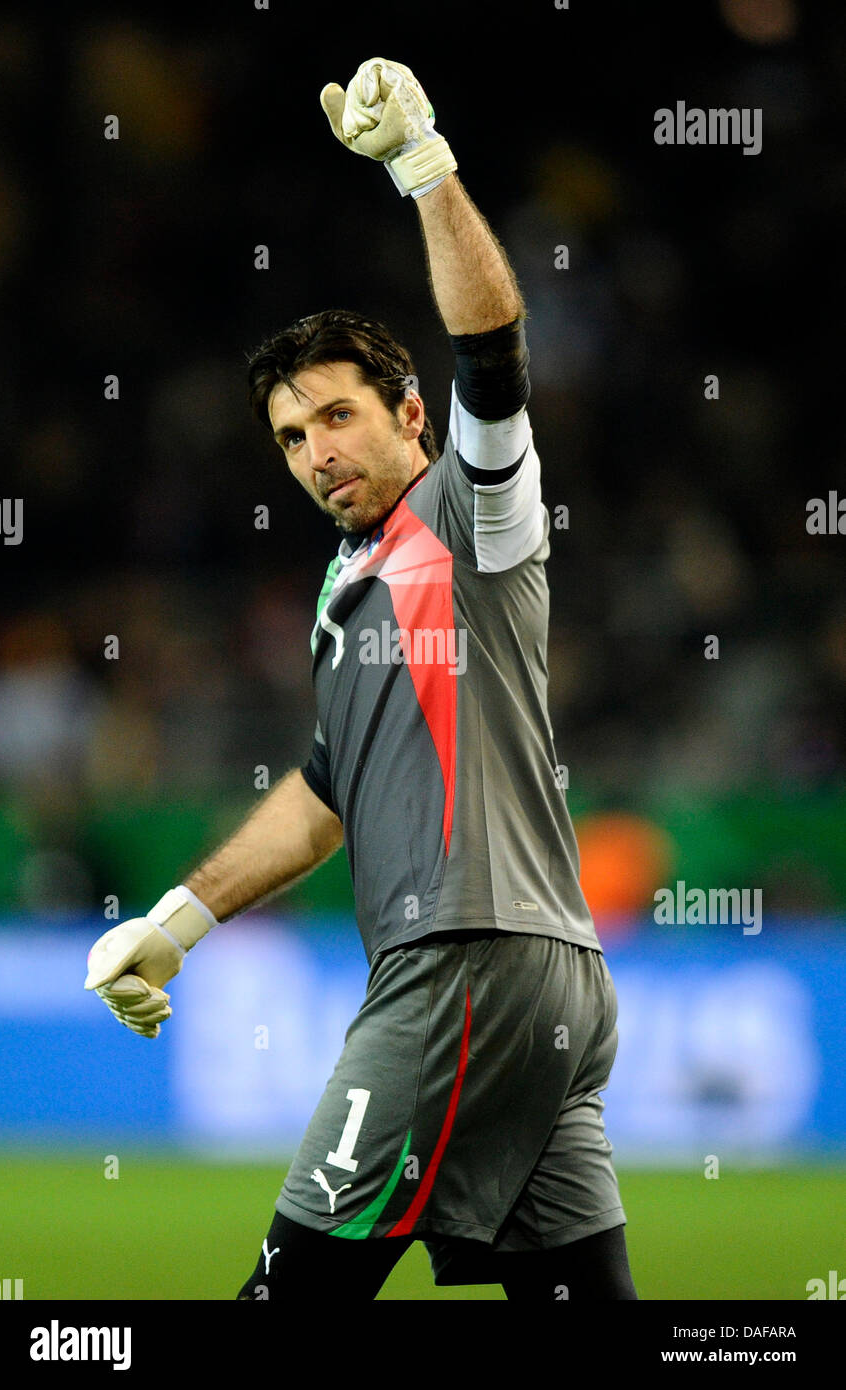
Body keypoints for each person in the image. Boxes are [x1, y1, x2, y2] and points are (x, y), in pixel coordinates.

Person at [84, 57, 637, 1303]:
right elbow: (326, 791)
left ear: (408, 416)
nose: (314, 450)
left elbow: (492, 341)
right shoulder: (347, 589)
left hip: (463, 967)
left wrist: (422, 166)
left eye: (337, 416)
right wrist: (174, 924)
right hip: (539, 984)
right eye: (289, 434)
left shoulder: (469, 517)